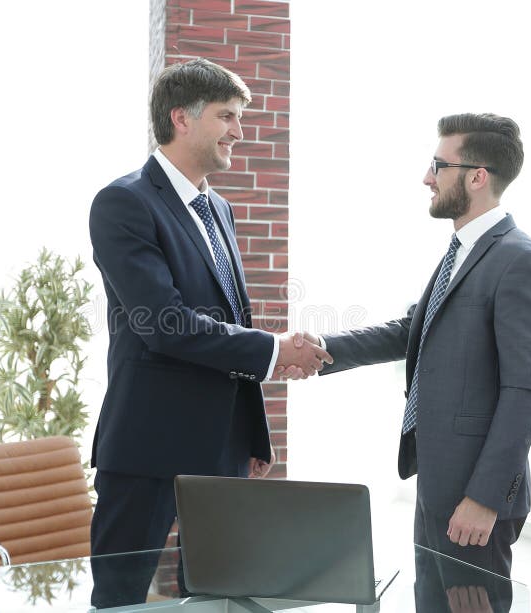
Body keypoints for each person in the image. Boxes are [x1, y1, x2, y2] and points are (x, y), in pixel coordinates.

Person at [87, 58, 331, 607]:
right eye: (227, 116)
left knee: (221, 597)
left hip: (222, 449)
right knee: (120, 599)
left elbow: (227, 326)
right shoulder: (123, 203)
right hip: (147, 448)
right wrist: (273, 348)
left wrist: (249, 432)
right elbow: (164, 324)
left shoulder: (219, 208)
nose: (239, 132)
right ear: (182, 118)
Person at [287, 113, 531, 578]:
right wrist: (325, 348)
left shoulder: (520, 263)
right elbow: (412, 328)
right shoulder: (463, 252)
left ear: (477, 177)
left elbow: (526, 391)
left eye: (439, 165)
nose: (427, 178)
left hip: (473, 500)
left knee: (468, 607)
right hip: (439, 483)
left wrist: (484, 497)